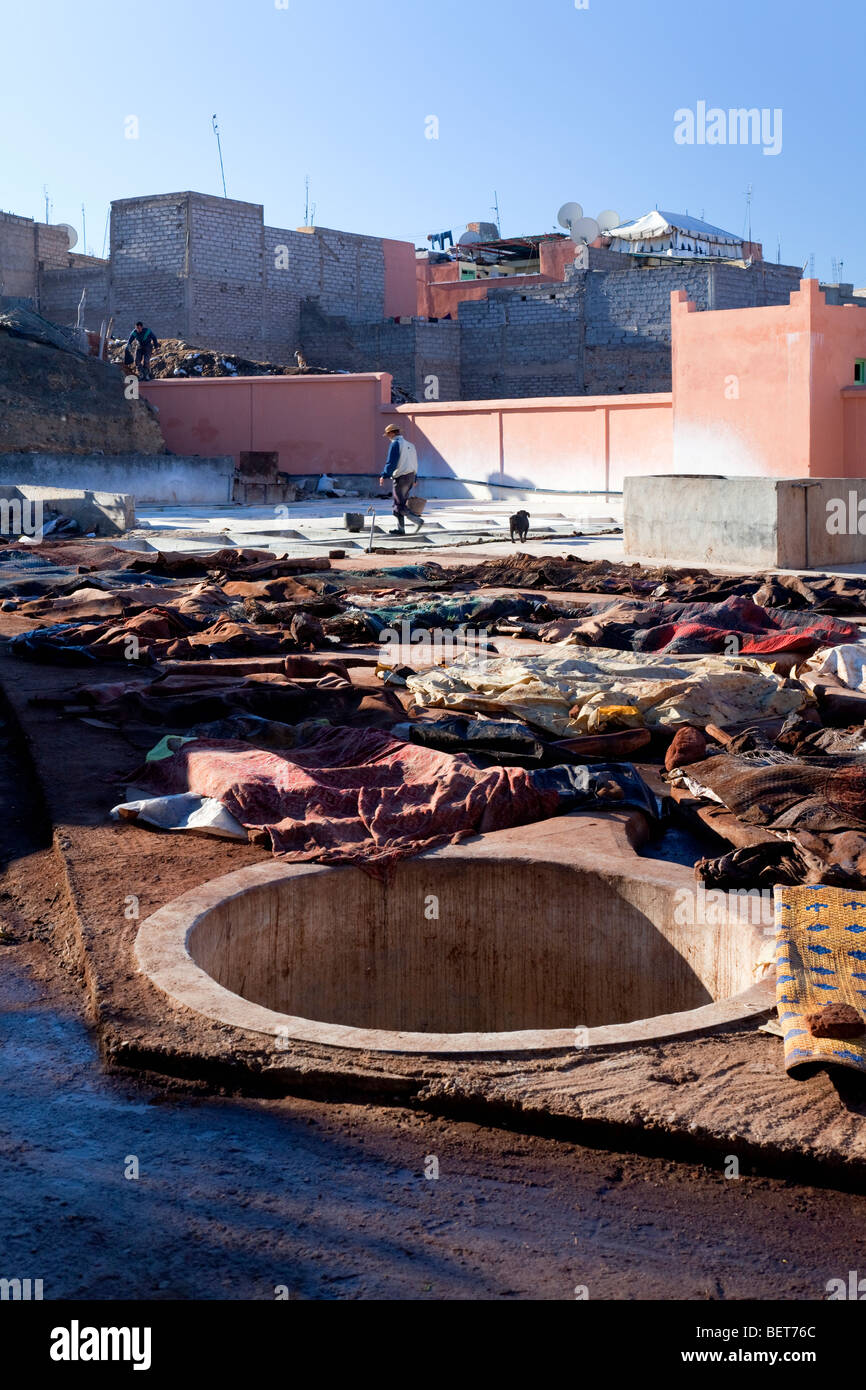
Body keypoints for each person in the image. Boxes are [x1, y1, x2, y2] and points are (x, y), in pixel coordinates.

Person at [379, 423, 420, 534]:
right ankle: (400, 529)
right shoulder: (410, 445)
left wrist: (384, 475)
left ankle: (417, 520)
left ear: (392, 433)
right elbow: (415, 462)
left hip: (401, 477)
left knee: (399, 504)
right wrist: (415, 477)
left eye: (388, 434)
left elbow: (391, 462)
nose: (388, 437)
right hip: (410, 476)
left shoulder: (395, 444)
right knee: (400, 502)